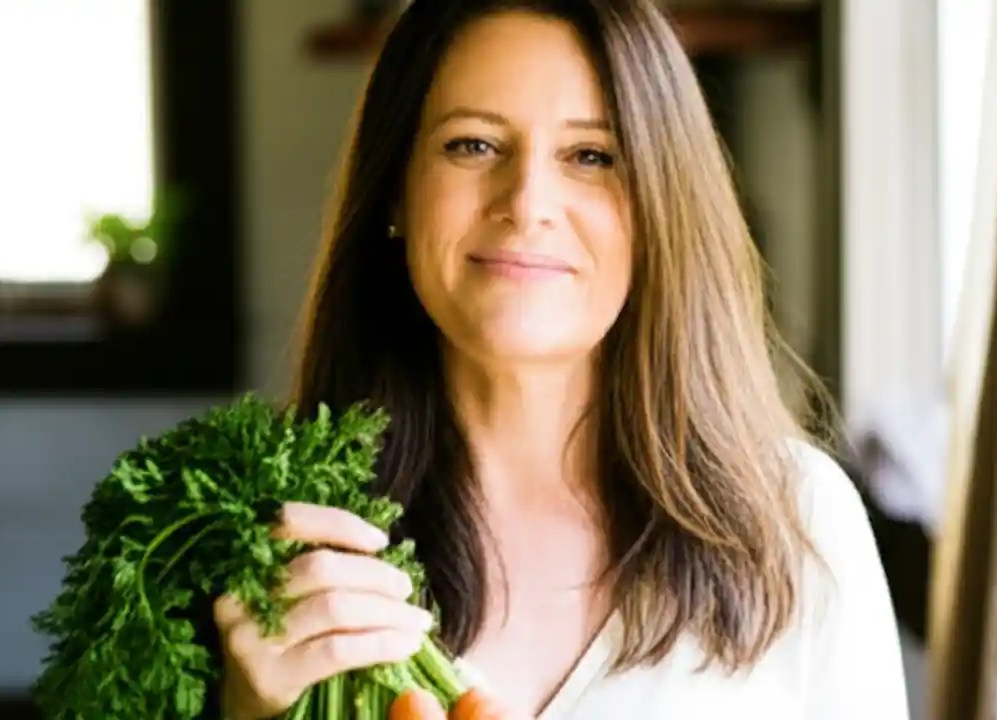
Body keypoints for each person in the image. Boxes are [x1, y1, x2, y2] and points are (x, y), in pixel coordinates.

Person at [215, 0, 909, 718]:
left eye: (591, 156)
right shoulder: (268, 538)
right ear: (396, 184)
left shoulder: (801, 523)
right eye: (473, 145)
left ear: (660, 208)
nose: (527, 204)